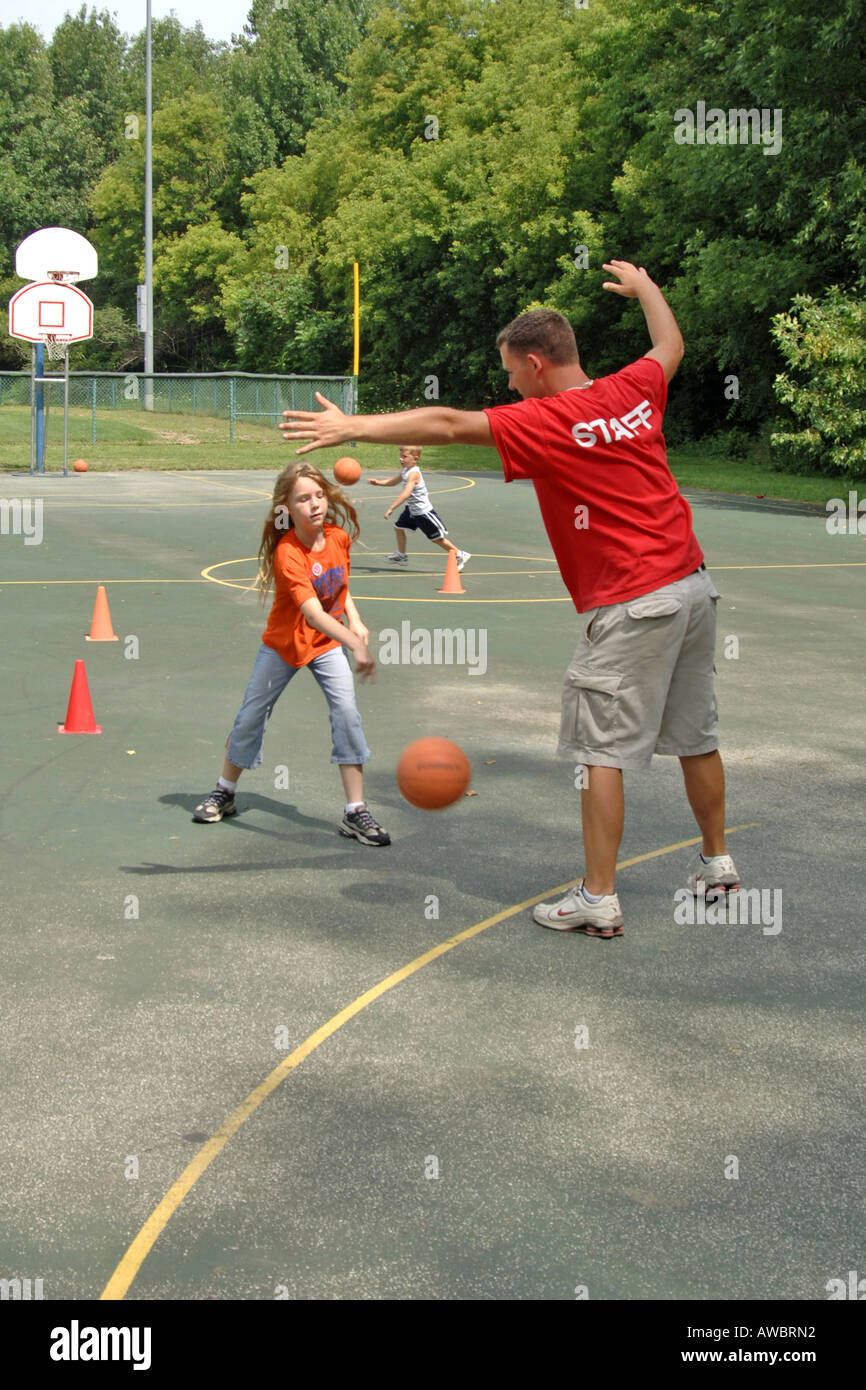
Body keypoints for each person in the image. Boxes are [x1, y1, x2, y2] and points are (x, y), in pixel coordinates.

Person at [278, 260, 740, 932]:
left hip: (633, 603)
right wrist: (647, 290)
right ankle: (718, 864)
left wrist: (356, 427)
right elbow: (670, 345)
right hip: (694, 589)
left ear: (535, 364)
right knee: (697, 737)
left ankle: (598, 897)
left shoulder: (550, 418)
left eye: (511, 374)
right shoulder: (635, 389)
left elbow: (444, 423)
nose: (509, 386)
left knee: (600, 754)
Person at [193, 461, 391, 847]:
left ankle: (355, 812)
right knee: (252, 713)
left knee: (347, 714)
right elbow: (314, 613)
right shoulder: (288, 552)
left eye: (319, 495)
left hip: (326, 645)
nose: (315, 504)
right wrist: (356, 642)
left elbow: (341, 586)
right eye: (304, 498)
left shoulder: (338, 538)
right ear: (286, 506)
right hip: (284, 644)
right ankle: (225, 790)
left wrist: (356, 619)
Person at [368, 444, 471, 570]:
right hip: (411, 510)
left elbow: (406, 493)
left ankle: (460, 554)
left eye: (404, 457)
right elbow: (393, 482)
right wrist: (377, 483)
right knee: (398, 527)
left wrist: (391, 508)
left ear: (415, 459)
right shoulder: (405, 470)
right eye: (400, 456)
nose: (401, 459)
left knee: (437, 539)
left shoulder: (413, 474)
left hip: (423, 513)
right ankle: (401, 555)